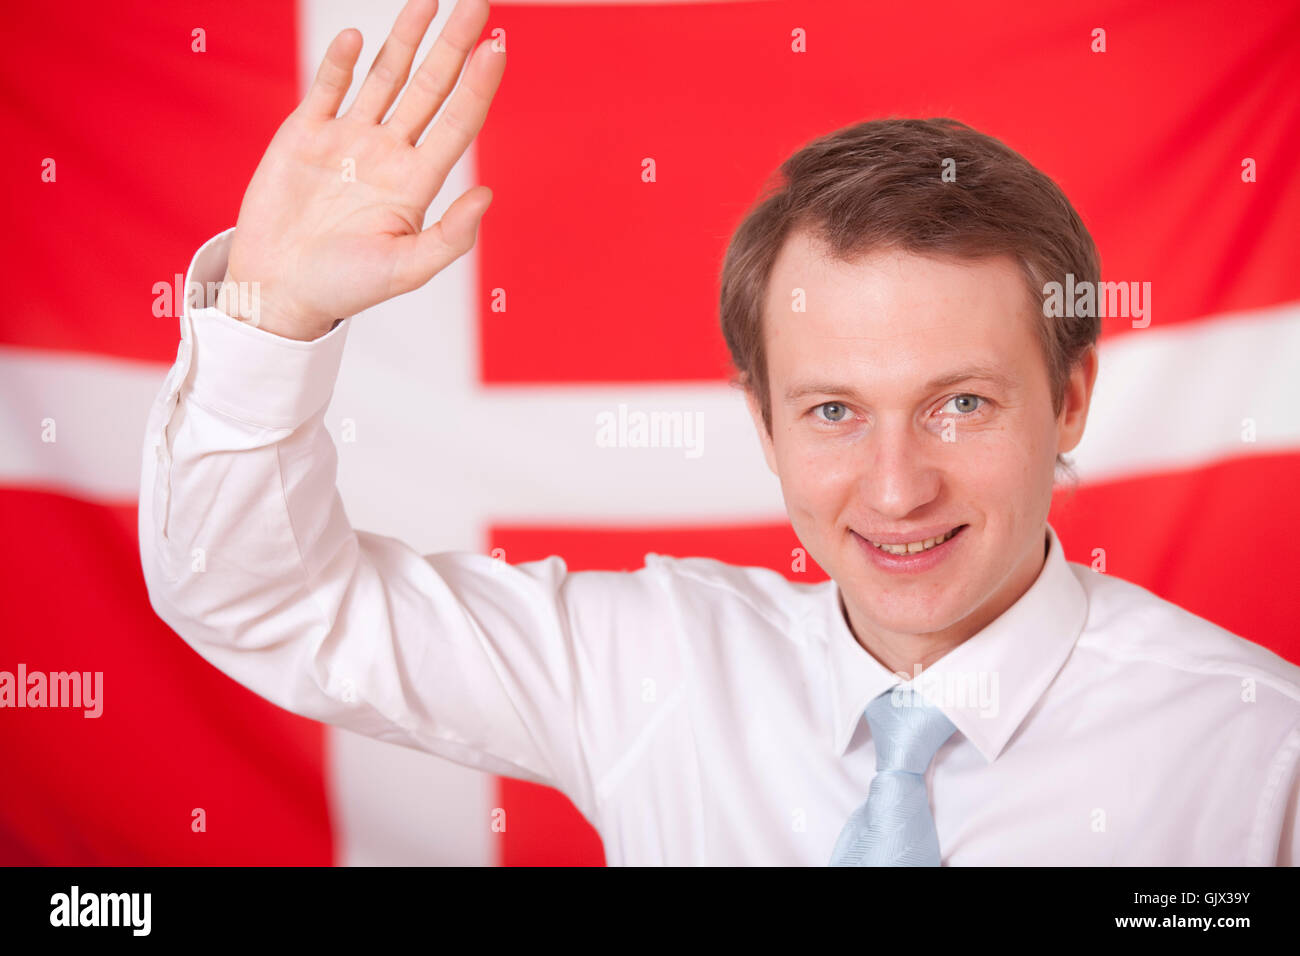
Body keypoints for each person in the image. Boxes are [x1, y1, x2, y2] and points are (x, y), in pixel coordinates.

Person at [138, 0, 1300, 865]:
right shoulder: (652, 667)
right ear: (762, 420)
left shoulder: (1257, 755)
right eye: (832, 411)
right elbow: (265, 599)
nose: (894, 487)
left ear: (1074, 398)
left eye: (961, 403)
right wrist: (273, 313)